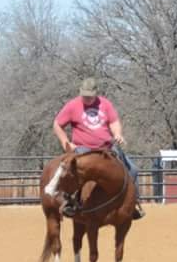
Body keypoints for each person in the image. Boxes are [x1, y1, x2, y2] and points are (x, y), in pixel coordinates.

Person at [52, 77, 144, 219]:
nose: (87, 99)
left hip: (106, 148)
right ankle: (70, 203)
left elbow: (114, 122)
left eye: (90, 96)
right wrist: (66, 143)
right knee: (73, 174)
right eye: (84, 96)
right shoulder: (72, 105)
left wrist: (118, 134)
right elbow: (57, 124)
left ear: (96, 93)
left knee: (132, 169)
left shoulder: (105, 104)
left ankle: (132, 203)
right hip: (83, 150)